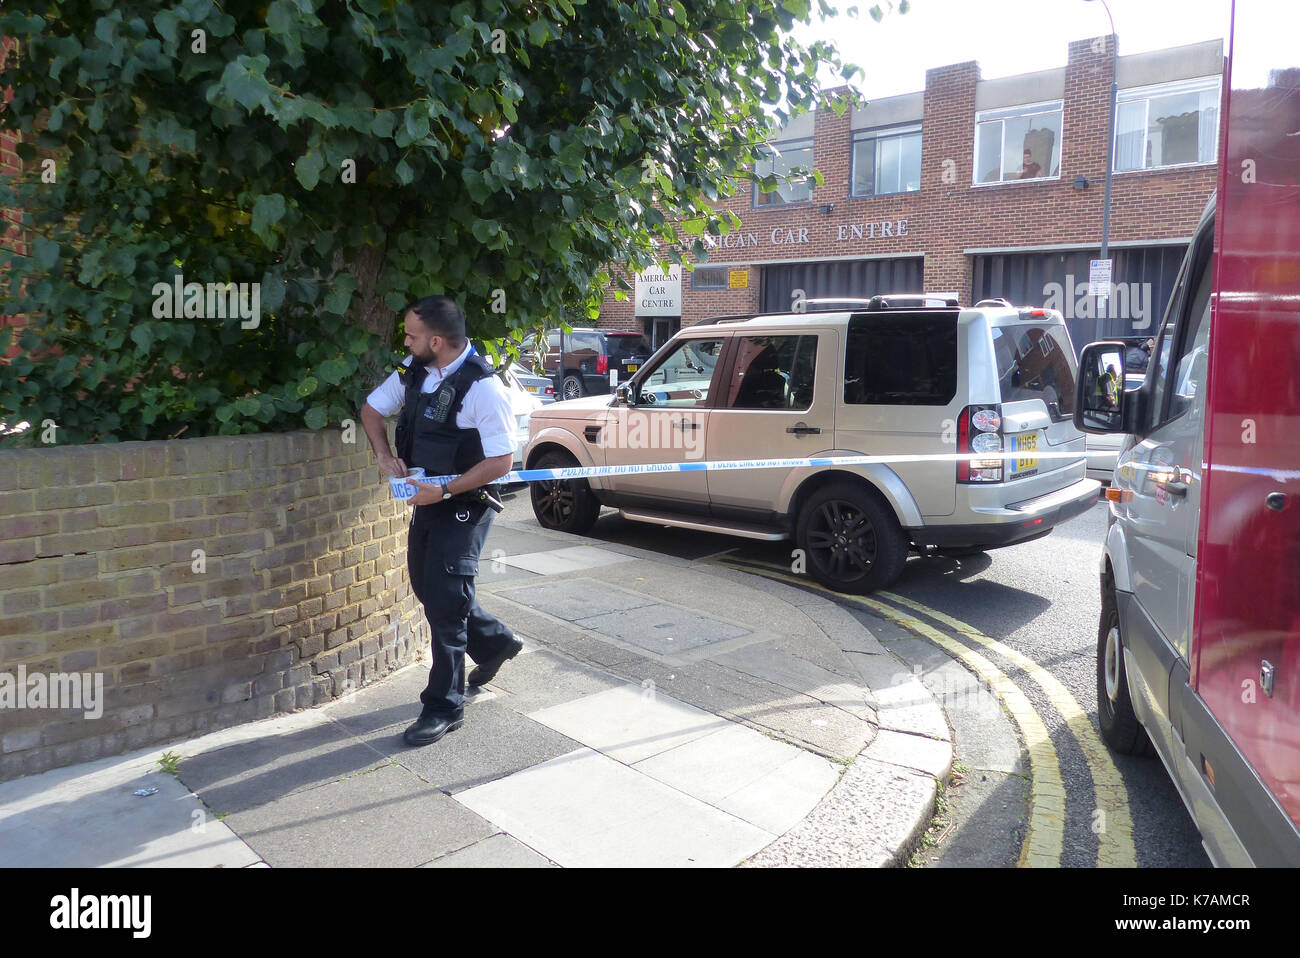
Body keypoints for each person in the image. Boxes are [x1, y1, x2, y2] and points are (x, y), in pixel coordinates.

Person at [359, 296, 523, 747]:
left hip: (465, 503)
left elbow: (503, 460)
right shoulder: (415, 372)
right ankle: (494, 643)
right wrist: (383, 455)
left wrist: (447, 489)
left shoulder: (482, 388)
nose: (405, 342)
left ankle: (444, 706)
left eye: (411, 336)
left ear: (435, 340)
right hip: (427, 500)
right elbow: (372, 411)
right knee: (427, 587)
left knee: (447, 602)